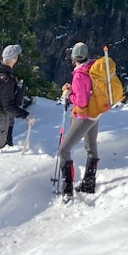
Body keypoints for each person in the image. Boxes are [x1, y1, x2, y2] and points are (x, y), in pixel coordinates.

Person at [55, 41, 101, 200]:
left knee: (63, 150)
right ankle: (89, 183)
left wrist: (69, 95)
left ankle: (67, 190)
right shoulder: (93, 68)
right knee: (91, 146)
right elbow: (87, 91)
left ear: (73, 58)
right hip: (96, 113)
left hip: (85, 116)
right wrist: (74, 89)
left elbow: (81, 102)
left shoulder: (79, 75)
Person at [0, 43, 30, 154]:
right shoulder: (6, 78)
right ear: (14, 58)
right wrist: (26, 115)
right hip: (0, 115)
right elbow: (8, 106)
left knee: (5, 143)